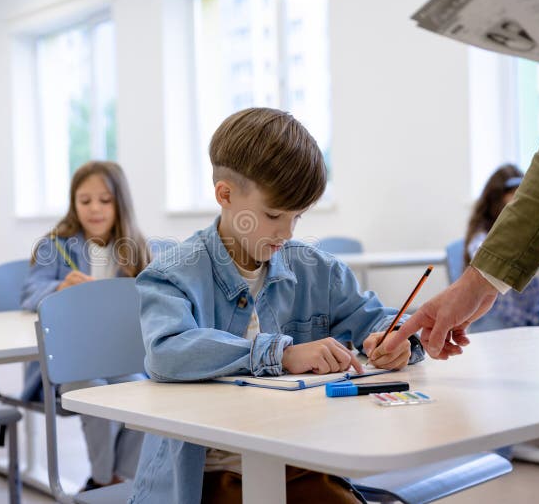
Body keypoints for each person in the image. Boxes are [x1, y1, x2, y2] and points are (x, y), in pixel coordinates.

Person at [129, 108, 424, 504]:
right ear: (225, 195)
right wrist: (281, 354)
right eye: (273, 215)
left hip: (300, 462)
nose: (286, 232)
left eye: (297, 217)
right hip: (211, 476)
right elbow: (167, 353)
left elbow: (381, 318)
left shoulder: (317, 269)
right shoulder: (172, 273)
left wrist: (398, 339)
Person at [386, 72, 539, 359]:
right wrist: (477, 283)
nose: (513, 208)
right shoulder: (481, 239)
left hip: (527, 321)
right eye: (509, 206)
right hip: (499, 324)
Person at [20, 160, 151, 491]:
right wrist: (59, 289)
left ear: (119, 203)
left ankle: (114, 479)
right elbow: (29, 294)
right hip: (72, 359)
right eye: (85, 200)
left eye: (105, 200)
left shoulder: (135, 248)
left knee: (142, 392)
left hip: (120, 355)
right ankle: (106, 481)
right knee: (95, 391)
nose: (94, 209)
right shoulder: (54, 245)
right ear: (73, 202)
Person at [464, 164, 539, 332]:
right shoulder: (482, 236)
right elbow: (482, 255)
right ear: (495, 206)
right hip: (497, 318)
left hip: (532, 317)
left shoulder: (535, 230)